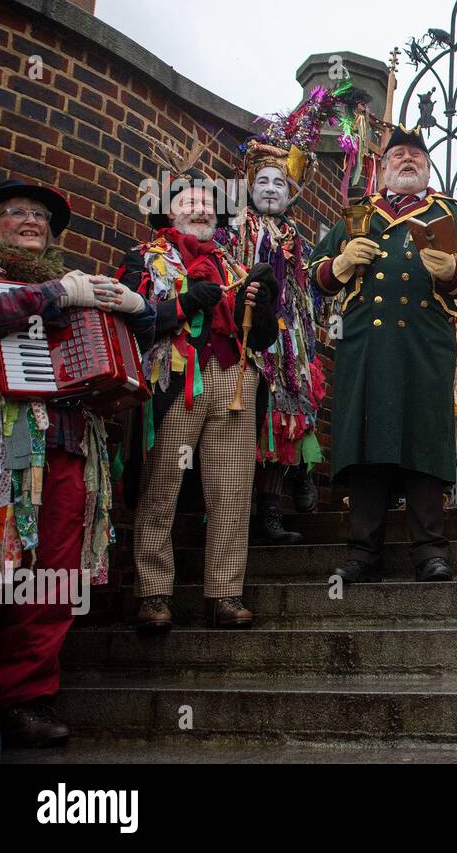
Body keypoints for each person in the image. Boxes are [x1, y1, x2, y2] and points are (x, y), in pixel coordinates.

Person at [0, 179, 156, 746]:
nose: (31, 220)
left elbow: (144, 339)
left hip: (67, 446)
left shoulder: (78, 286)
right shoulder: (9, 280)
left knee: (53, 577)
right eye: (16, 212)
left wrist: (139, 309)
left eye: (40, 215)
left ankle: (25, 698)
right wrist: (57, 295)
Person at [311, 125, 457, 584]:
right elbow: (313, 276)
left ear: (427, 166)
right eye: (399, 155)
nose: (407, 161)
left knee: (422, 443)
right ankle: (362, 553)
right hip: (365, 346)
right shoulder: (358, 215)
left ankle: (430, 551)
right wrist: (339, 262)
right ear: (385, 166)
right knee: (367, 445)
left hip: (424, 343)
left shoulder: (450, 215)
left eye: (416, 155)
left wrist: (455, 270)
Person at [118, 169, 279, 632]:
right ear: (170, 211)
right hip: (173, 378)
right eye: (189, 201)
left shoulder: (236, 267)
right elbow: (132, 324)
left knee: (231, 493)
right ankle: (153, 593)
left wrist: (262, 303)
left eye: (208, 203)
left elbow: (262, 338)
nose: (200, 208)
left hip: (234, 384)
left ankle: (225, 594)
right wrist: (186, 306)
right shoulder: (143, 260)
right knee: (161, 486)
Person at [234, 107, 330, 543]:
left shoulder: (301, 241)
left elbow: (311, 295)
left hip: (292, 345)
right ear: (249, 188)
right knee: (250, 421)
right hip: (249, 339)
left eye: (280, 184)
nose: (272, 190)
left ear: (291, 194)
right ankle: (237, 512)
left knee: (289, 417)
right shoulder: (233, 231)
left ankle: (275, 507)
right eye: (263, 182)